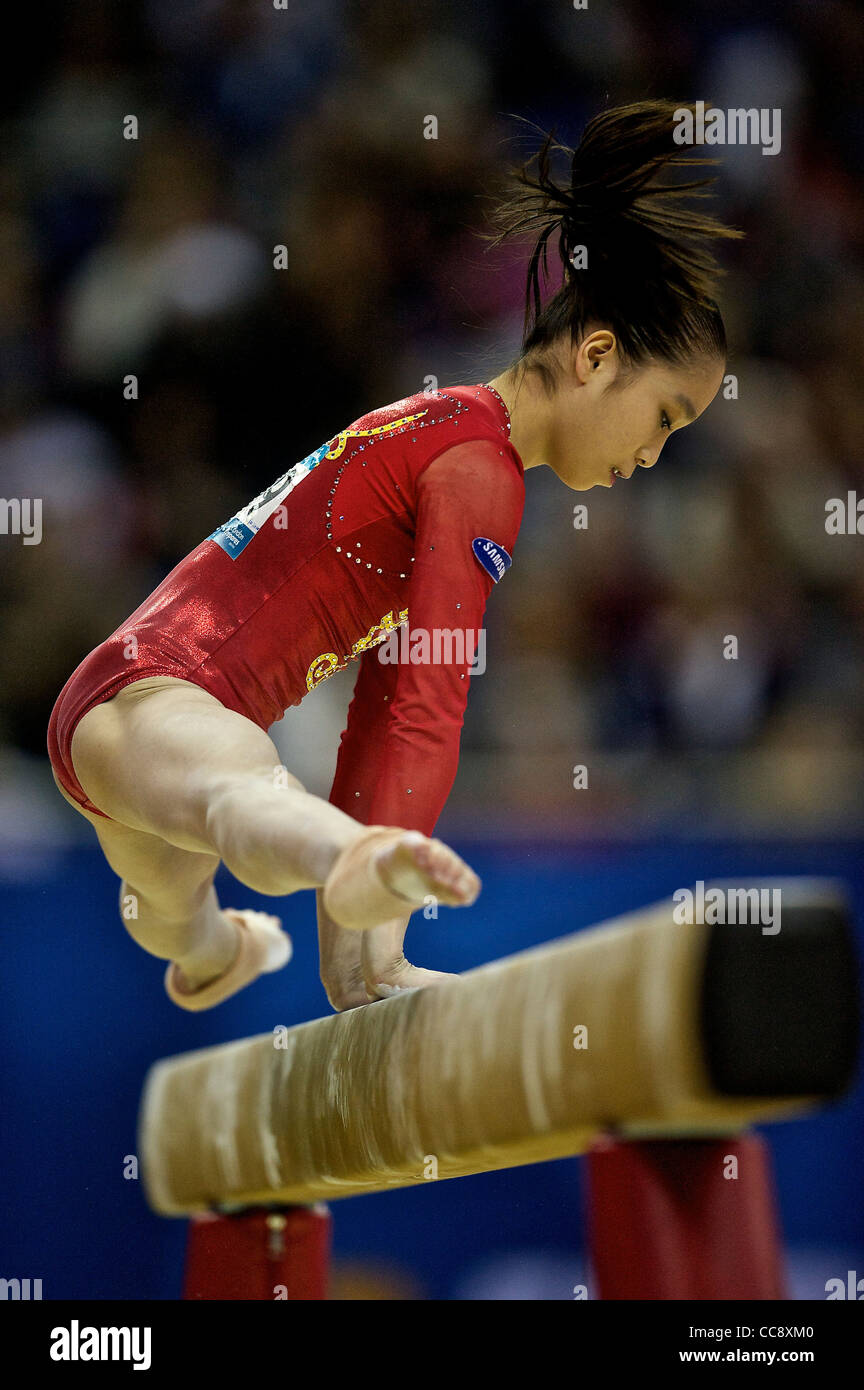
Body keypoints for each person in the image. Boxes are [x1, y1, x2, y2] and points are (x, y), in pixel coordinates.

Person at [46, 100, 740, 1013]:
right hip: (169, 704)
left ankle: (218, 948)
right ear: (598, 356)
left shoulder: (445, 421)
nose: (652, 455)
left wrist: (362, 967)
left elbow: (384, 702)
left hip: (133, 720)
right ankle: (335, 860)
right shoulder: (478, 466)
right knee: (243, 793)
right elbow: (428, 701)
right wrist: (372, 870)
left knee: (174, 906)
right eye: (664, 418)